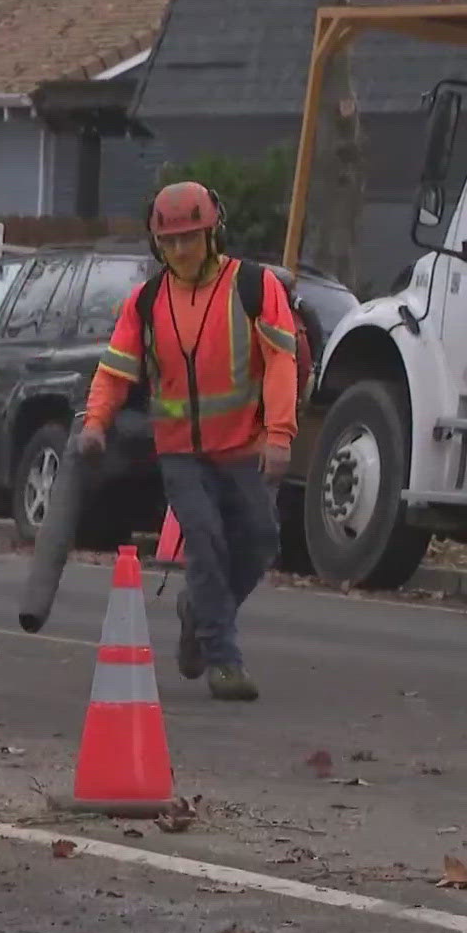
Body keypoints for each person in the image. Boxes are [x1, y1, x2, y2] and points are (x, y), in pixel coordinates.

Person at [79, 181, 300, 701]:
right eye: (170, 241)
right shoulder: (147, 301)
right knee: (204, 540)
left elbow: (281, 364)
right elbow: (114, 371)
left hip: (244, 447)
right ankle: (224, 659)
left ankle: (197, 611)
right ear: (157, 244)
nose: (181, 250)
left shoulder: (254, 286)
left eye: (191, 238)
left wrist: (280, 434)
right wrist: (95, 423)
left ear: (213, 232)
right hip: (180, 452)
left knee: (259, 542)